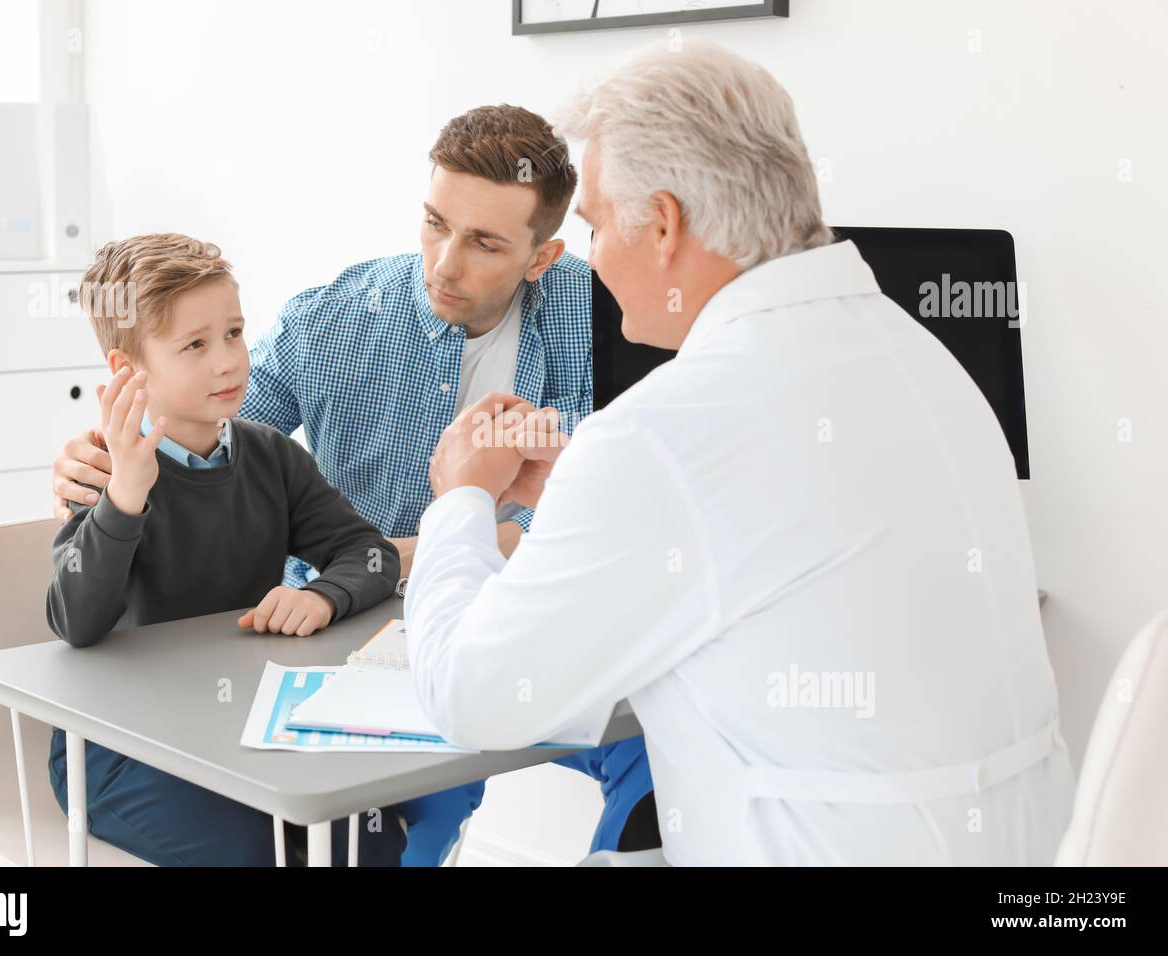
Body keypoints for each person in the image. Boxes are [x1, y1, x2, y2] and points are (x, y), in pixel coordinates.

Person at [404, 41, 1076, 865]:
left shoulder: (664, 433)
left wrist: (459, 499)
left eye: (597, 228)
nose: (593, 259)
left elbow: (475, 698)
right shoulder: (918, 354)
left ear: (664, 224)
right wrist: (579, 499)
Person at [47, 106, 658, 866]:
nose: (443, 263)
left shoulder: (605, 312)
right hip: (360, 644)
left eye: (485, 243)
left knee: (653, 745)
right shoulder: (332, 322)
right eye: (436, 224)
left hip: (530, 621)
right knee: (398, 821)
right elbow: (207, 439)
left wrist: (470, 542)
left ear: (541, 256)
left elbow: (631, 504)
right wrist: (103, 462)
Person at [47, 232, 404, 866]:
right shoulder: (104, 470)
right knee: (255, 852)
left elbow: (370, 554)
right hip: (118, 752)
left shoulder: (271, 456)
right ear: (127, 369)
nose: (228, 362)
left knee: (369, 838)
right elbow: (75, 619)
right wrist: (126, 499)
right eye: (195, 345)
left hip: (239, 731)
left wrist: (323, 595)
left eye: (234, 334)